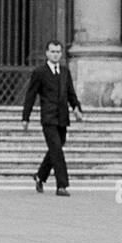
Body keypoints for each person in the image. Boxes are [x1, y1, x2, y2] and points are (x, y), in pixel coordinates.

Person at [21, 39, 84, 196]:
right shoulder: (40, 72)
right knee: (57, 151)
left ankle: (40, 176)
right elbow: (31, 95)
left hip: (62, 117)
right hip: (48, 118)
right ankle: (62, 185)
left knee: (56, 148)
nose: (55, 55)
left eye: (58, 52)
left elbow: (70, 93)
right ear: (47, 53)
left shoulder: (65, 72)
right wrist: (25, 117)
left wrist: (77, 108)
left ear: (61, 54)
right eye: (53, 52)